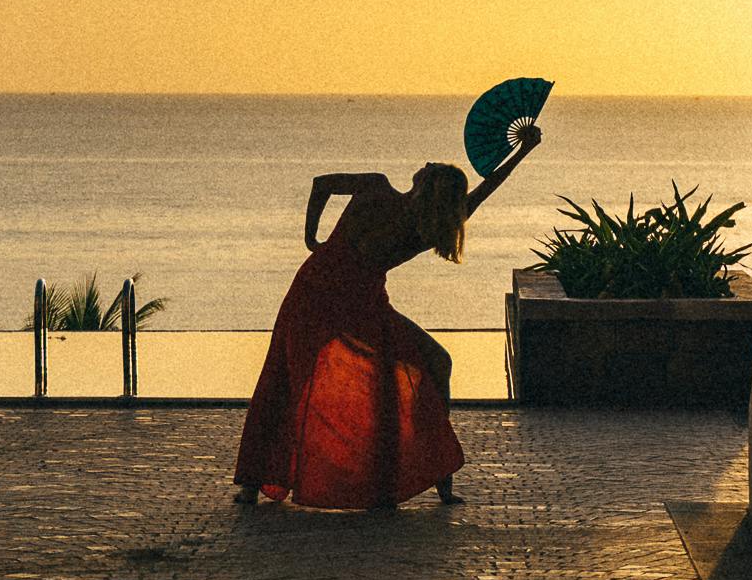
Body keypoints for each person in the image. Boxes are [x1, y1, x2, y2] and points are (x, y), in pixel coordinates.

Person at [231, 119, 542, 510]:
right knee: (296, 377)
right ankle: (434, 481)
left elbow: (320, 185)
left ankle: (430, 477)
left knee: (288, 378)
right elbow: (483, 192)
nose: (426, 162)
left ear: (427, 187)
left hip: (340, 298)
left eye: (430, 168)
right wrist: (522, 152)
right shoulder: (426, 227)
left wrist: (312, 238)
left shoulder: (388, 197)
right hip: (330, 297)